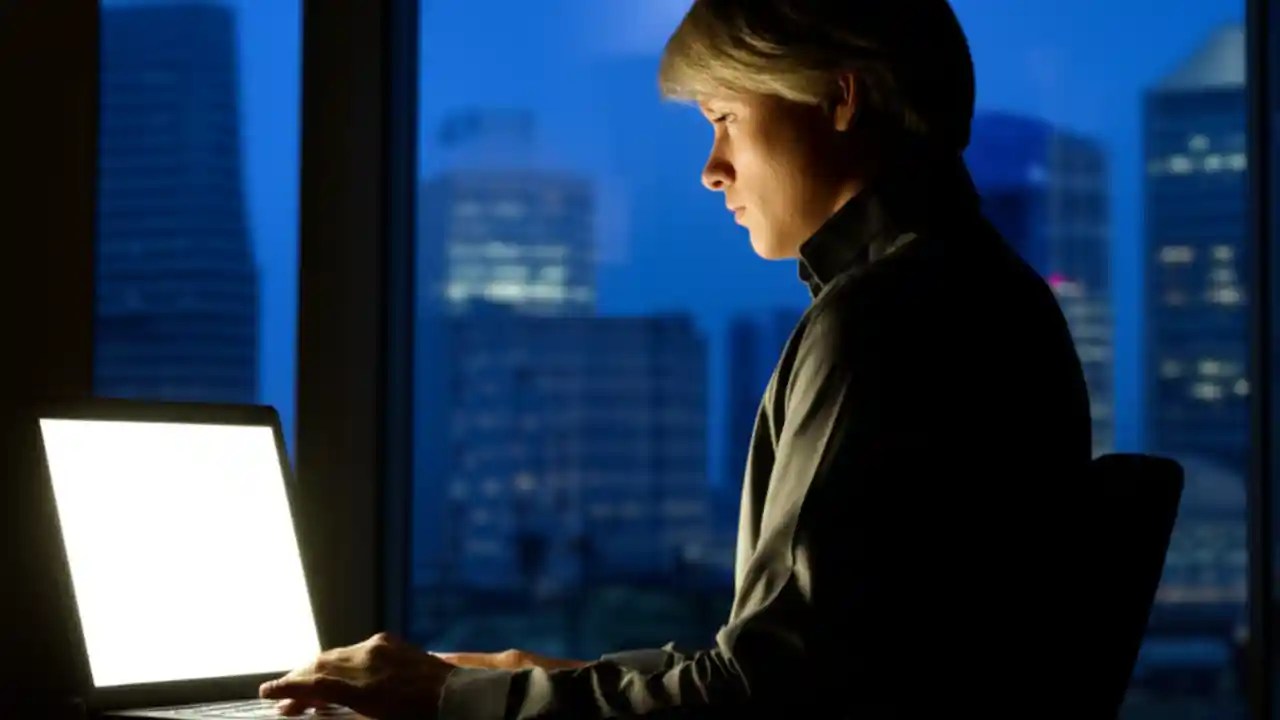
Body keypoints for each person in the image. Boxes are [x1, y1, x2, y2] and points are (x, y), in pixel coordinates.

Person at [260, 0, 1094, 716]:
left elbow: (764, 695)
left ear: (840, 97)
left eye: (724, 117)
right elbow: (809, 664)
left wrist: (449, 701)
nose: (711, 170)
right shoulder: (980, 289)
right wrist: (522, 680)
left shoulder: (885, 319)